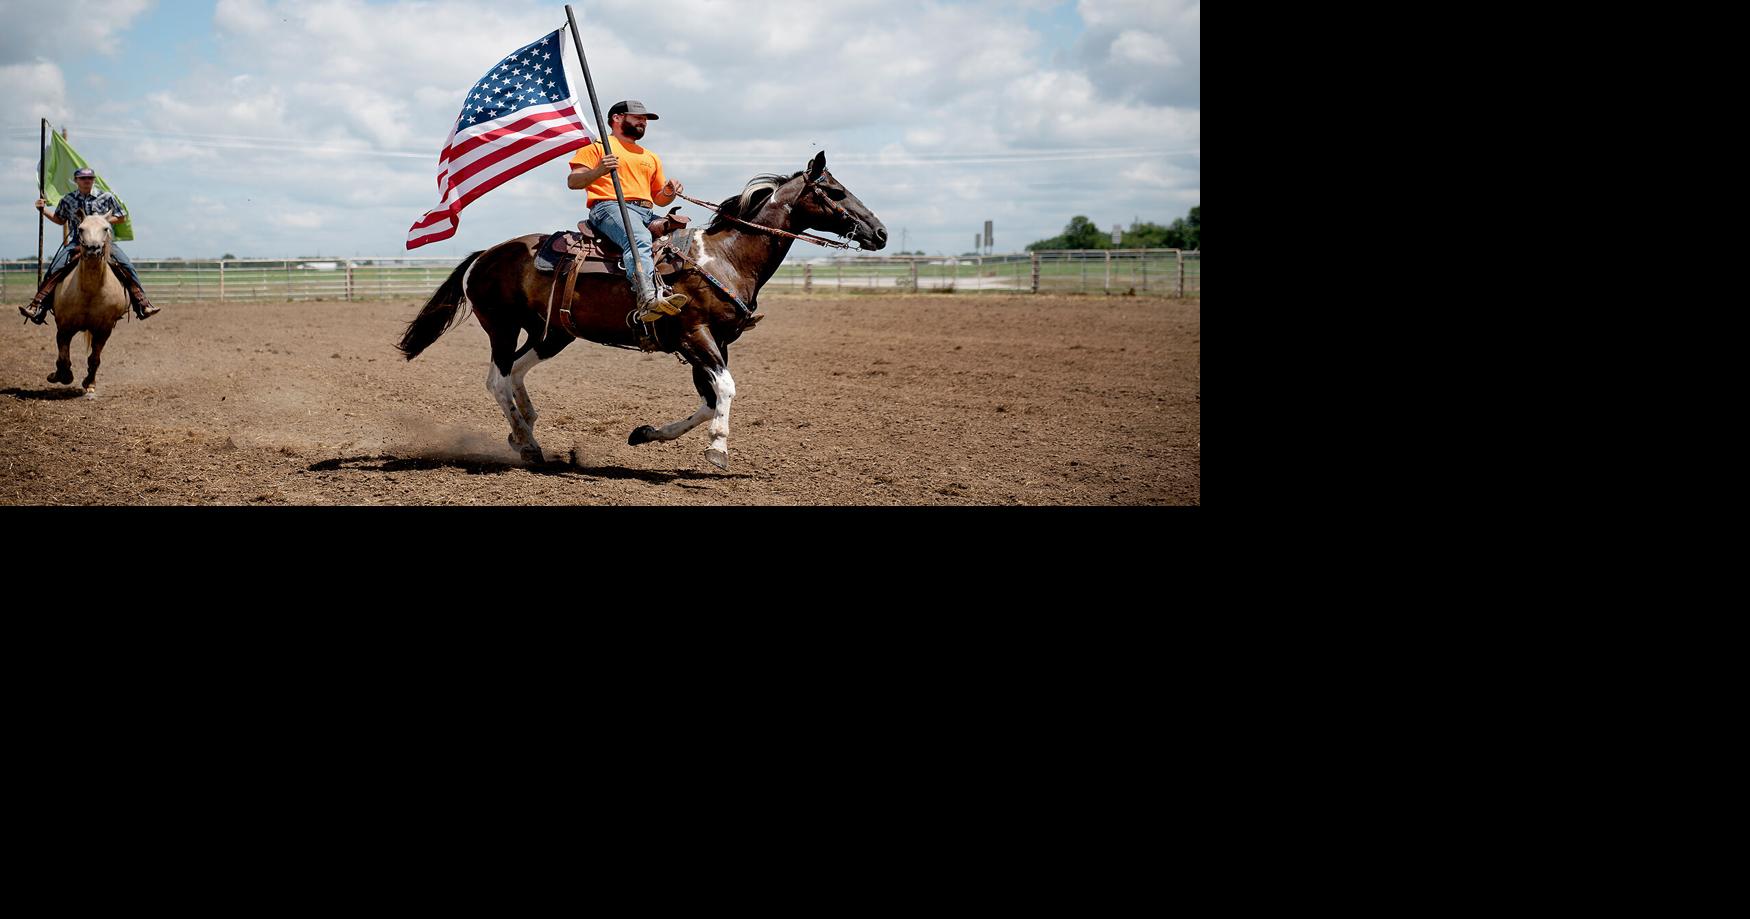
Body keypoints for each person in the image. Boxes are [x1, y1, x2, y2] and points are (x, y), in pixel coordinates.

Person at [568, 100, 689, 323]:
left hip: (646, 211)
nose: (643, 122)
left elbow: (659, 199)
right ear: (617, 118)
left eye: (645, 119)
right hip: (609, 206)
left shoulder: (650, 156)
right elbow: (573, 181)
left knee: (684, 242)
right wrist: (600, 170)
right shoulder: (597, 147)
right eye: (638, 117)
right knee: (638, 238)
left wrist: (669, 192)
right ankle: (646, 297)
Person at [20, 167, 159, 324]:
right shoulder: (68, 199)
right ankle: (38, 306)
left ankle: (142, 304)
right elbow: (60, 219)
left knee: (127, 265)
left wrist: (100, 221)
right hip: (77, 241)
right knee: (55, 267)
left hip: (103, 242)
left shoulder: (106, 197)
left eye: (90, 178)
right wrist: (43, 210)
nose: (87, 181)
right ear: (76, 181)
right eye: (83, 178)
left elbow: (121, 216)